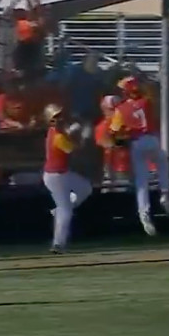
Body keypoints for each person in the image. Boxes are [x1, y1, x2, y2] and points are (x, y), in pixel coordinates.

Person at [109, 76, 169, 236]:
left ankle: (144, 214)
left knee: (141, 182)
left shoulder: (120, 109)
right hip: (151, 139)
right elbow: (149, 91)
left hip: (136, 143)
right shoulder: (147, 101)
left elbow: (113, 131)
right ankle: (165, 194)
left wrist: (119, 140)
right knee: (162, 162)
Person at [42, 104, 93, 253]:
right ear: (50, 121)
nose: (59, 119)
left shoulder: (55, 132)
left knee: (85, 188)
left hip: (62, 173)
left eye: (59, 116)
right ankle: (58, 244)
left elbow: (66, 135)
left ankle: (60, 210)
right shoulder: (57, 136)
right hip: (55, 176)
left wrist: (75, 128)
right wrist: (84, 135)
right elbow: (74, 149)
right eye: (55, 118)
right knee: (66, 211)